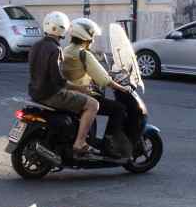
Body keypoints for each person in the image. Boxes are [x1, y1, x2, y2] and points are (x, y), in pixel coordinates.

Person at [62, 18, 133, 158]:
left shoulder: (67, 50)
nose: (93, 40)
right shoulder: (83, 53)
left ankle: (89, 140)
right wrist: (123, 89)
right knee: (118, 108)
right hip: (82, 93)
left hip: (69, 91)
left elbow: (85, 72)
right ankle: (109, 145)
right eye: (92, 36)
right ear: (86, 37)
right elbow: (104, 80)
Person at [29, 11, 97, 155]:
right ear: (63, 29)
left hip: (35, 93)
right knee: (93, 104)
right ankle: (80, 142)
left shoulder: (35, 46)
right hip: (51, 95)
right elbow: (58, 80)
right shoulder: (55, 49)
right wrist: (80, 88)